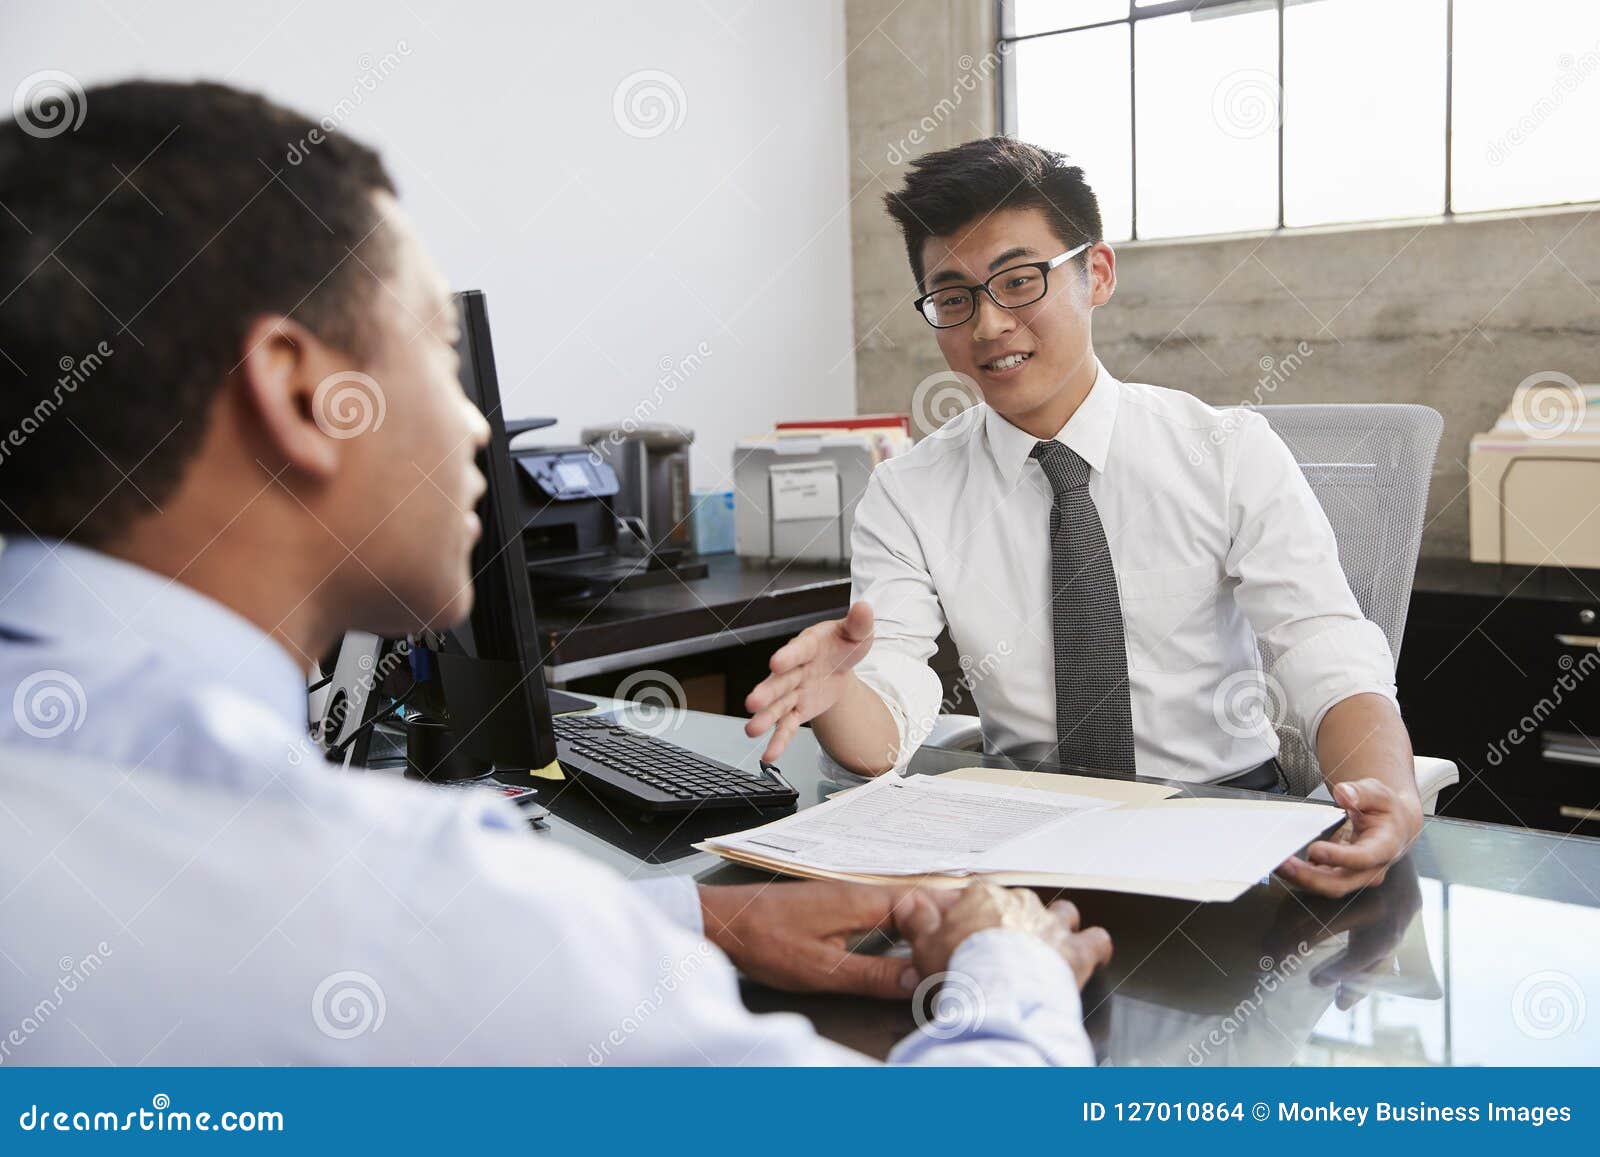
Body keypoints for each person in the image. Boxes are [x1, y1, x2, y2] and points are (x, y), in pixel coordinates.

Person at [0, 81, 1109, 1065]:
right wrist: (1007, 963)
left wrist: (699, 922)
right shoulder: (391, 903)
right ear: (301, 395)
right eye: (439, 351)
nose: (480, 422)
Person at [746, 137, 1422, 899]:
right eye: (955, 296)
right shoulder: (908, 491)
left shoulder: (1227, 451)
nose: (990, 324)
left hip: (1219, 824)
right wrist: (836, 697)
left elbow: (1323, 650)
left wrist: (1383, 793)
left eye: (1019, 280)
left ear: (1095, 273)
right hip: (1019, 845)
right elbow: (890, 702)